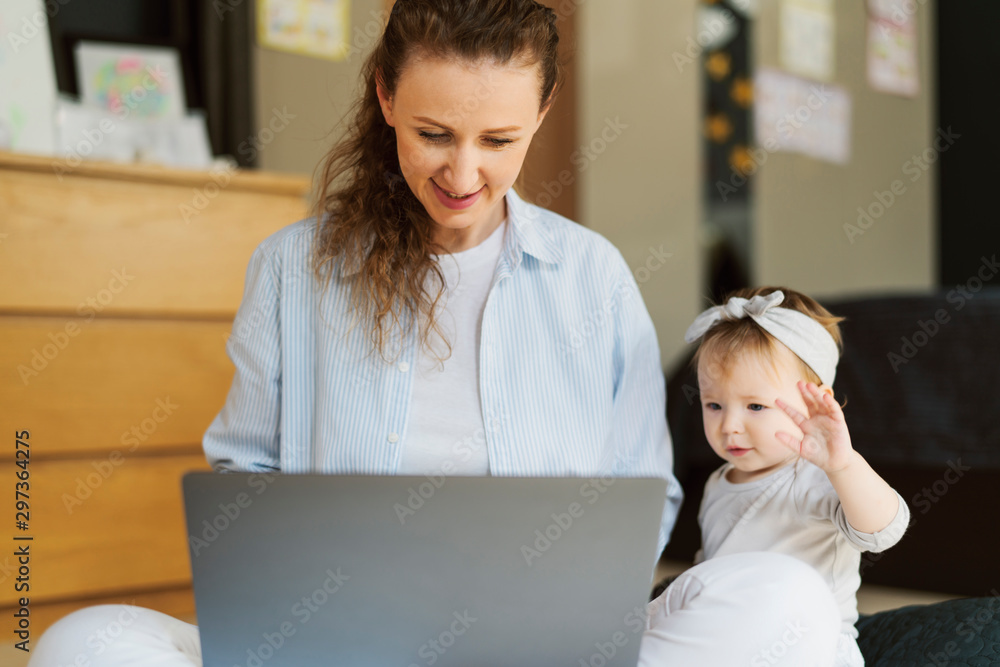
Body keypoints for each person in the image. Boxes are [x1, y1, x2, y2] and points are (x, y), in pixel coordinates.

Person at [27, 2, 842, 665]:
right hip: (339, 638)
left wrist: (572, 618)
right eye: (432, 134)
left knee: (787, 600)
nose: (462, 175)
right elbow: (247, 477)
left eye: (498, 141)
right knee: (82, 645)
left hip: (543, 645)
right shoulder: (290, 268)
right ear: (385, 98)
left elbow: (640, 493)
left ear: (542, 112)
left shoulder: (593, 276)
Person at [682, 286, 911, 667]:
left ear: (813, 402)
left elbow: (884, 530)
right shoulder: (717, 482)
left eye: (756, 405)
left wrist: (844, 465)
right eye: (714, 405)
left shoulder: (816, 478)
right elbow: (715, 566)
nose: (730, 426)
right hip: (732, 640)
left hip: (806, 646)